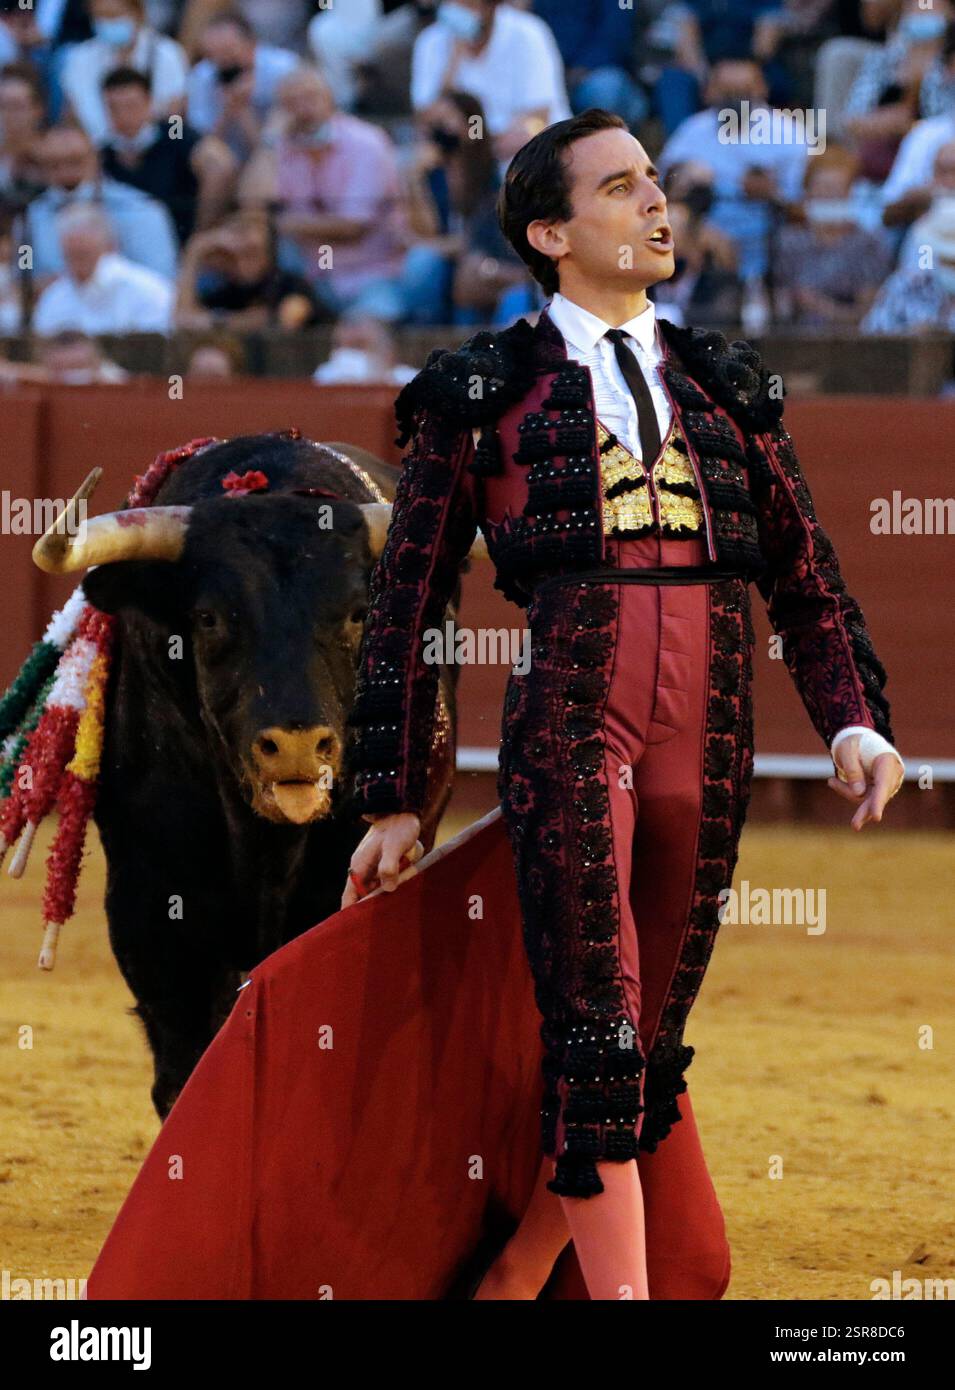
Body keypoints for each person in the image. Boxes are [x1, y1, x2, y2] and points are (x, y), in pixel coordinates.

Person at [343, 107, 904, 1299]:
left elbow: (806, 582)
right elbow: (410, 602)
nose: (656, 203)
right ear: (549, 232)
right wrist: (392, 795)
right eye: (619, 189)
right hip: (569, 719)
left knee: (643, 1049)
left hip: (710, 734)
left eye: (654, 180)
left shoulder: (725, 381)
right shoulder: (476, 391)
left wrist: (854, 722)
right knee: (596, 1031)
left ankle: (519, 1274)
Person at [240, 67, 412, 322]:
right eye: (292, 102)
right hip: (313, 278)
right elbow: (251, 206)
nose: (304, 109)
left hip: (372, 274)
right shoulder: (282, 146)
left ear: (329, 98)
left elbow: (353, 226)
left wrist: (282, 225)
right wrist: (270, 140)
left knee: (364, 331)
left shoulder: (367, 143)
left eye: (310, 98)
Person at [411, 0, 572, 162]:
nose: (458, 8)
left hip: (531, 148)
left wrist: (482, 140)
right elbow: (426, 115)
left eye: (468, 4)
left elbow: (538, 116)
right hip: (476, 152)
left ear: (491, 5)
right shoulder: (430, 41)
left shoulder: (528, 33)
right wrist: (454, 59)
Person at [100, 65, 236, 243]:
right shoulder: (102, 154)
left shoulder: (173, 129)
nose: (123, 115)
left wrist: (201, 233)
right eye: (114, 108)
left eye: (131, 106)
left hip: (183, 237)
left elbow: (220, 164)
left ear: (149, 102)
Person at [25, 123, 178, 280]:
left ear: (95, 160)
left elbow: (160, 279)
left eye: (75, 162)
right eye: (54, 165)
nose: (65, 173)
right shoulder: (31, 218)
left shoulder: (141, 210)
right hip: (57, 302)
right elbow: (24, 272)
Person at [59, 0, 188, 146]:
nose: (107, 23)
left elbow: (175, 111)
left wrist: (172, 147)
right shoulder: (80, 58)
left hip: (157, 149)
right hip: (98, 151)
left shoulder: (167, 53)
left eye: (114, 15)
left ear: (138, 14)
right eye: (99, 17)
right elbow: (72, 114)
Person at [32, 201, 173, 334]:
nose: (79, 264)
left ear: (112, 246)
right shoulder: (54, 297)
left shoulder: (148, 290)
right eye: (72, 255)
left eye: (85, 254)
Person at [174, 208, 322, 331]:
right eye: (233, 254)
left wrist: (216, 322)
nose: (242, 260)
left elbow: (284, 322)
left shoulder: (291, 285)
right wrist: (195, 252)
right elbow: (182, 323)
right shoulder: (224, 293)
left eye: (251, 252)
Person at [185, 9, 302, 162]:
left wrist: (244, 109)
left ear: (252, 44)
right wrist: (229, 111)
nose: (222, 62)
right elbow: (201, 141)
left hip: (281, 157)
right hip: (229, 159)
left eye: (228, 52)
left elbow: (291, 134)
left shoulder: (284, 68)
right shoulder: (203, 75)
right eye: (212, 55)